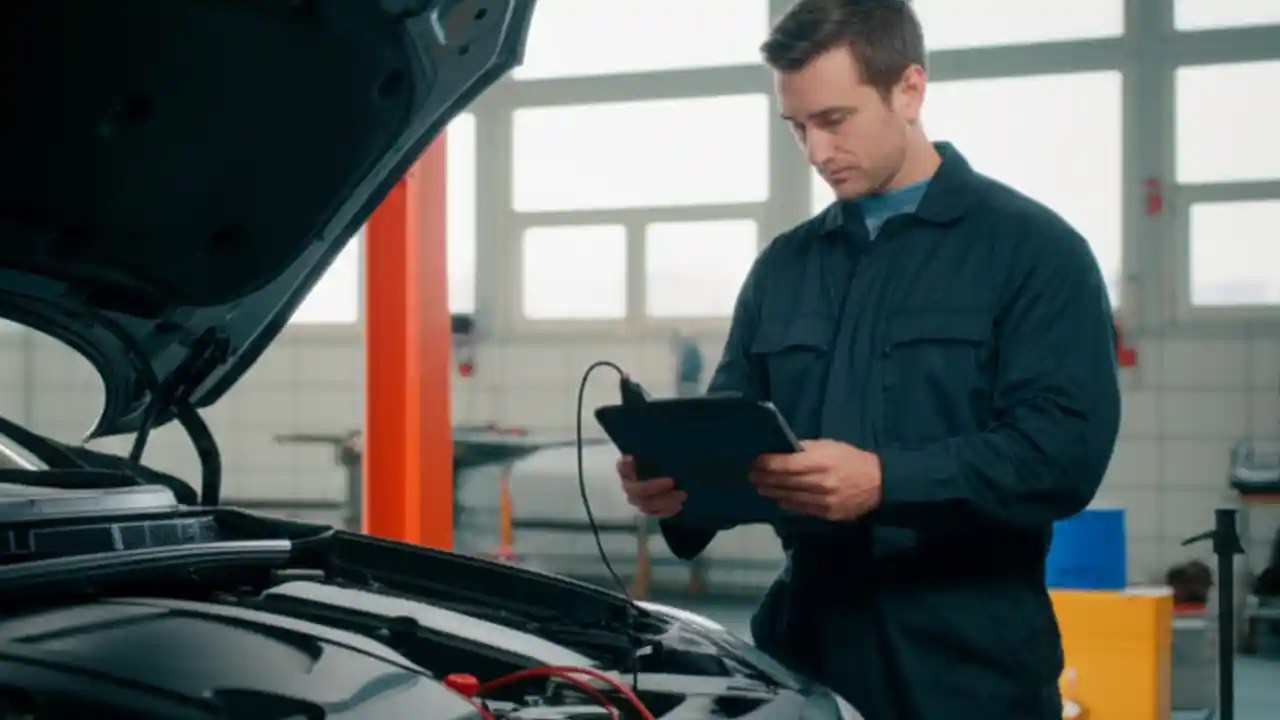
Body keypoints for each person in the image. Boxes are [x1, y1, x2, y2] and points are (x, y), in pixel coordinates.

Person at [615, 1, 1121, 718]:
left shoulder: (1034, 253)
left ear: (909, 89)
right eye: (798, 127)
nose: (816, 152)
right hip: (804, 663)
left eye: (835, 120)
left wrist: (885, 480)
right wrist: (676, 488)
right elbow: (734, 434)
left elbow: (1062, 454)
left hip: (970, 670)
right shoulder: (785, 268)